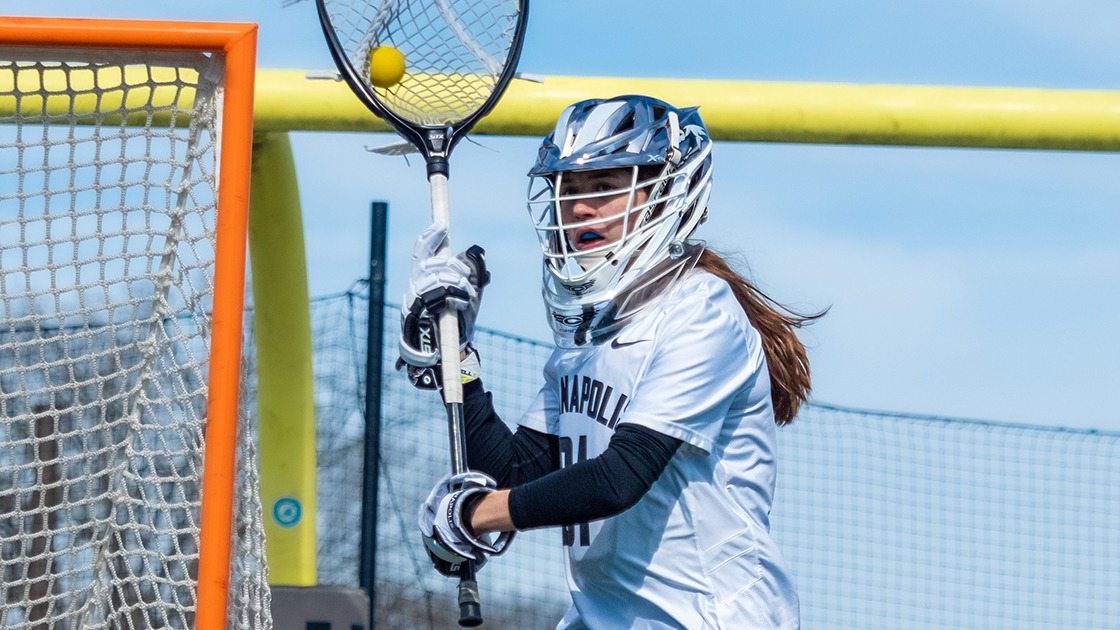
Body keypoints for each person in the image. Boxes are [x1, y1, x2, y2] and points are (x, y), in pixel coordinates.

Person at [401, 95, 824, 629]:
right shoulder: (587, 334)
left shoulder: (700, 309)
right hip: (604, 617)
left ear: (664, 193)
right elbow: (509, 471)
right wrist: (455, 358)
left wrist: (474, 514)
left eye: (604, 188)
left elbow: (619, 478)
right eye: (570, 189)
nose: (578, 208)